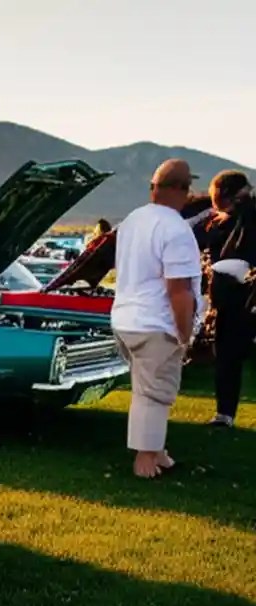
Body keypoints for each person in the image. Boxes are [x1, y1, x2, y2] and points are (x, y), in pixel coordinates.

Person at [110, 159, 204, 478]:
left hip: (125, 318)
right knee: (155, 392)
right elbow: (178, 289)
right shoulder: (176, 229)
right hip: (155, 322)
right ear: (183, 190)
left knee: (144, 387)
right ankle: (145, 458)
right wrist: (184, 333)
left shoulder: (133, 220)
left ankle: (157, 450)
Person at [198, 170, 255, 427]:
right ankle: (225, 413)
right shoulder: (217, 223)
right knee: (226, 355)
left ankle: (225, 413)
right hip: (226, 299)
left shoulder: (249, 217)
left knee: (229, 355)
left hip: (246, 295)